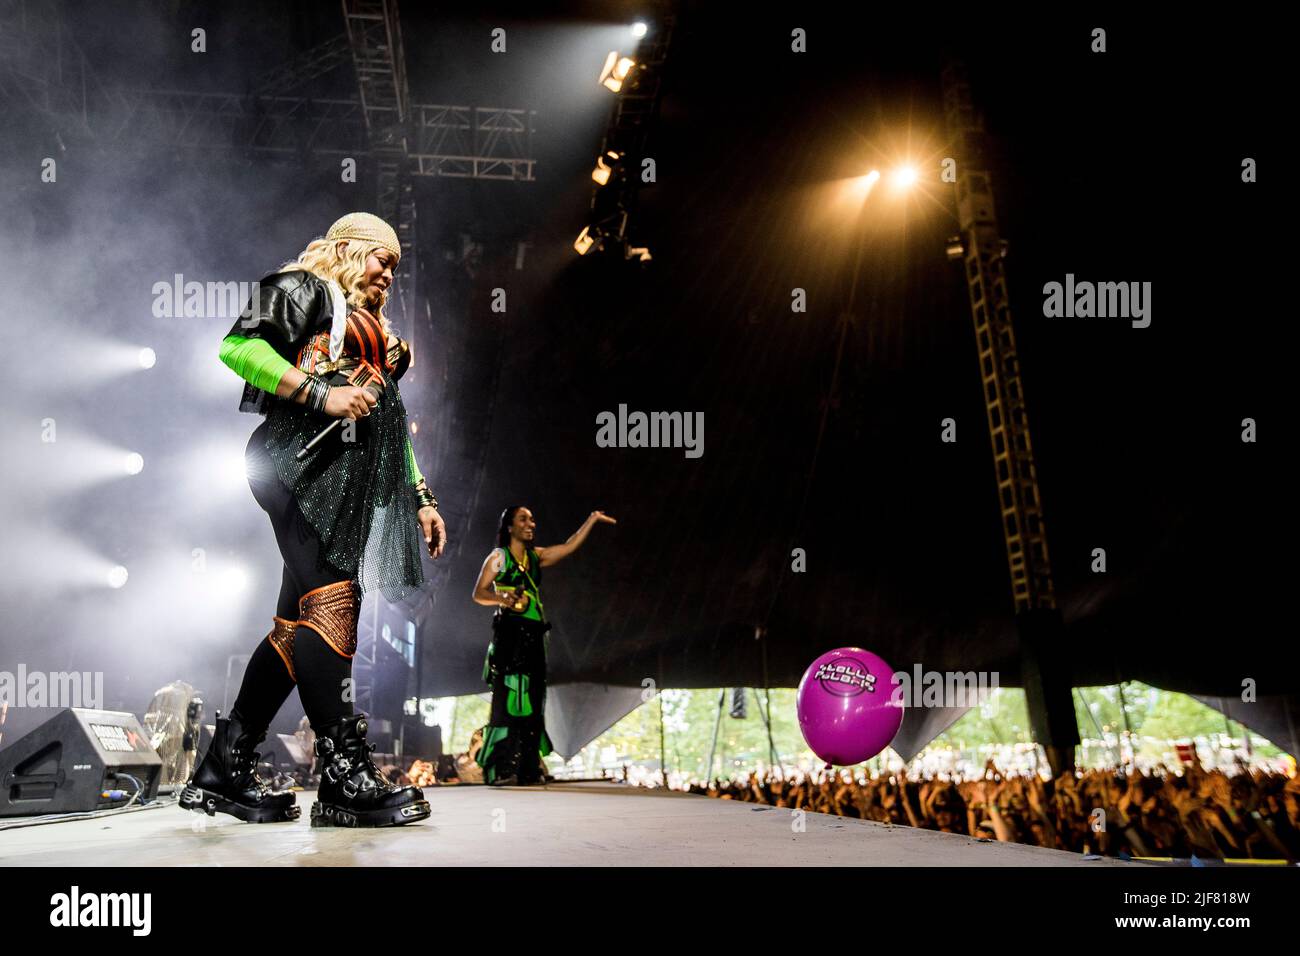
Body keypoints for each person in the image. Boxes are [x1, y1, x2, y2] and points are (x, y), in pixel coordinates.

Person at [181, 212, 446, 828]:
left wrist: (420, 495)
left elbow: (391, 422)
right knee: (334, 602)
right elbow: (237, 347)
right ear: (349, 249)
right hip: (296, 465)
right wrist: (318, 391)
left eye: (396, 267)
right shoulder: (303, 288)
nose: (388, 273)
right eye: (382, 258)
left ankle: (226, 769)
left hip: (347, 481)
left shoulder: (380, 333)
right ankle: (343, 777)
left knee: (295, 624)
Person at [471, 507, 616, 785]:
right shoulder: (499, 558)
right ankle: (503, 767)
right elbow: (479, 592)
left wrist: (592, 519)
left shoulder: (536, 556)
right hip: (509, 636)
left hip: (536, 635)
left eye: (533, 519)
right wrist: (504, 598)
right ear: (510, 527)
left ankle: (527, 767)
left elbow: (569, 546)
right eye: (523, 519)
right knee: (509, 697)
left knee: (535, 701)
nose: (531, 524)